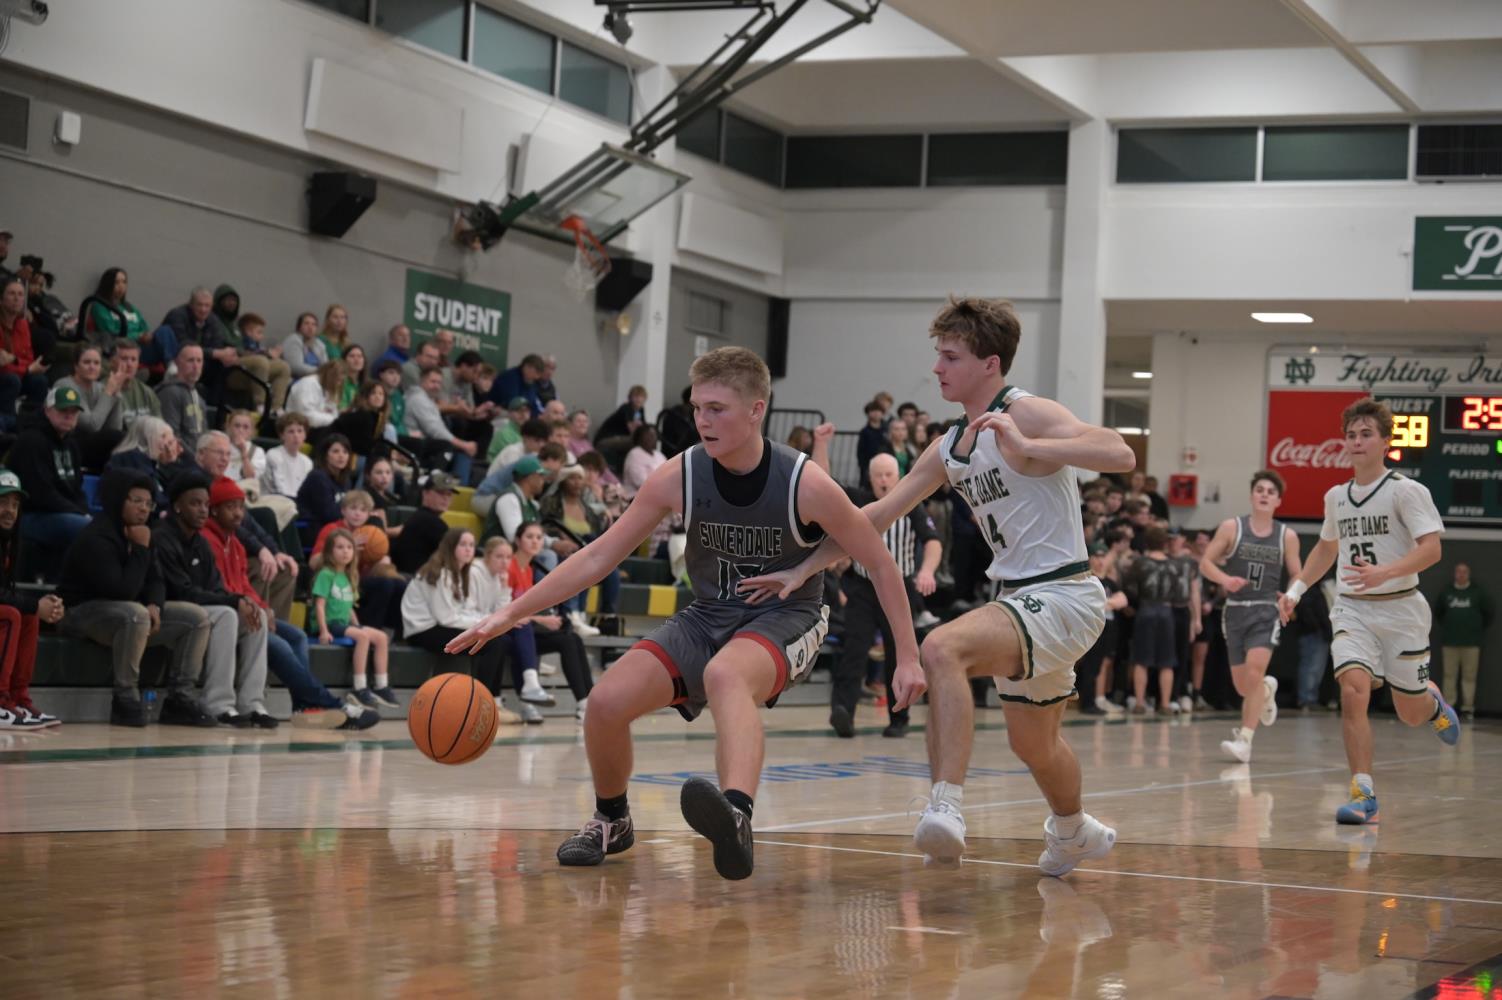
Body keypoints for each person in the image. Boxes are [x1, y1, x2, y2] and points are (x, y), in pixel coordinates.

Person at [447, 346, 921, 881]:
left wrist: (907, 656)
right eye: (697, 407)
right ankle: (612, 819)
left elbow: (880, 564)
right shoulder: (679, 475)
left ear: (756, 410)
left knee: (726, 675)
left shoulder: (804, 483)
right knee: (604, 703)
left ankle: (736, 815)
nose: (702, 420)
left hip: (788, 614)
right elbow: (600, 555)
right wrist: (511, 613)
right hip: (709, 614)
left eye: (717, 408)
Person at [737, 297, 1136, 874]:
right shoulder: (950, 445)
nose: (938, 368)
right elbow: (873, 516)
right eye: (938, 355)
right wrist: (805, 567)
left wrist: (1032, 448)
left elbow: (1117, 451)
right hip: (1021, 602)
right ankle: (1074, 829)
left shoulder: (1026, 413)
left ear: (990, 364)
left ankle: (946, 809)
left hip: (1063, 594)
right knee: (1036, 746)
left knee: (941, 646)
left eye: (951, 357)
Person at [1277, 398, 1460, 827]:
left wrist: (1387, 572)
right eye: (1351, 435)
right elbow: (1326, 547)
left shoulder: (1407, 491)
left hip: (1402, 611)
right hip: (1353, 610)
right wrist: (1297, 589)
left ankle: (1431, 704)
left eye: (1365, 435)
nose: (1356, 442)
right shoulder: (1336, 496)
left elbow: (1432, 549)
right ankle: (1364, 793)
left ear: (1385, 441)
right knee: (1353, 690)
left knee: (1408, 713)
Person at [202, 477, 378, 730]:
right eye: (230, 507)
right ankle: (325, 702)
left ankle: (303, 706)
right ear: (214, 509)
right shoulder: (208, 540)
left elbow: (245, 586)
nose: (239, 513)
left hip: (246, 609)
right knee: (279, 644)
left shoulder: (236, 544)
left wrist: (264, 607)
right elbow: (221, 590)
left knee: (296, 635)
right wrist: (254, 608)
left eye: (240, 506)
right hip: (228, 613)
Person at [55, 468, 215, 727]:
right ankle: (125, 697)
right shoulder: (97, 536)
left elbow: (156, 580)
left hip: (125, 614)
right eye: (136, 501)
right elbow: (121, 591)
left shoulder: (143, 531)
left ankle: (180, 699)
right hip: (78, 612)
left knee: (196, 618)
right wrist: (140, 549)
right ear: (119, 499)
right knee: (135, 614)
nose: (144, 508)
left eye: (148, 503)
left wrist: (155, 604)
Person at [153, 471, 276, 729]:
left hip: (200, 607)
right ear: (177, 506)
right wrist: (233, 603)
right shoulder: (163, 537)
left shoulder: (199, 542)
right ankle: (217, 702)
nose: (202, 510)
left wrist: (242, 599)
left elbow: (216, 587)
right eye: (194, 503)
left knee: (257, 615)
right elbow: (182, 590)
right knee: (228, 614)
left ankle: (250, 702)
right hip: (169, 609)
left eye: (205, 505)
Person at [829, 452, 940, 739]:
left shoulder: (913, 505)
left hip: (899, 587)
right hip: (863, 587)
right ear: (870, 477)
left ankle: (899, 717)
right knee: (853, 649)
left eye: (888, 474)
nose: (883, 480)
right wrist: (822, 444)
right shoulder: (858, 499)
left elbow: (933, 542)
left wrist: (927, 571)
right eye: (878, 474)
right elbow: (825, 481)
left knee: (898, 654)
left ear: (898, 477)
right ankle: (842, 711)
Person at [1200, 470, 1303, 762]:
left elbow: (1297, 574)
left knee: (1255, 672)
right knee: (1245, 686)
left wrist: (1291, 595)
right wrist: (1224, 579)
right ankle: (1267, 691)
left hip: (1265, 610)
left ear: (1278, 500)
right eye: (1260, 489)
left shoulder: (1287, 536)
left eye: (1271, 491)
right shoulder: (1232, 527)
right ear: (1251, 495)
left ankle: (1245, 740)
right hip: (1234, 611)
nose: (1265, 494)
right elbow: (1206, 562)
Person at [399, 528, 521, 727]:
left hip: (439, 625)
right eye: (463, 544)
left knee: (493, 638)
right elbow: (446, 618)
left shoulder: (458, 573)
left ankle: (488, 702)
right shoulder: (438, 573)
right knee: (493, 642)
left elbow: (464, 612)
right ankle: (484, 705)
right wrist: (485, 623)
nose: (468, 549)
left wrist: (487, 622)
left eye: (472, 545)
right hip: (423, 630)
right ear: (450, 546)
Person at [504, 522, 595, 720]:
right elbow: (506, 610)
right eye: (529, 537)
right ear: (518, 540)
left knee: (572, 639)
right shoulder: (509, 566)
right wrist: (542, 620)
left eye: (539, 537)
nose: (535, 541)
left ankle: (587, 702)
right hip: (511, 629)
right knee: (529, 630)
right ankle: (527, 700)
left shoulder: (528, 569)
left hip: (525, 626)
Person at [0, 469, 64, 728]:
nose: (10, 510)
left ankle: (17, 699)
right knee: (11, 614)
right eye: (3, 502)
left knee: (28, 615)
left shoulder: (10, 541)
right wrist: (34, 604)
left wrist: (43, 605)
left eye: (15, 504)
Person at [312, 528, 396, 710]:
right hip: (329, 623)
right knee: (363, 637)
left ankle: (381, 685)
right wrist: (324, 630)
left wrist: (358, 625)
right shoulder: (326, 574)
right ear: (329, 551)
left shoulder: (349, 576)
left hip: (344, 623)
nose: (345, 551)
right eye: (340, 547)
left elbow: (349, 606)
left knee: (381, 637)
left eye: (349, 547)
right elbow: (319, 604)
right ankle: (359, 687)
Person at [11, 384, 91, 568]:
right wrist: (80, 514)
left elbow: (77, 490)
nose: (69, 415)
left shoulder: (72, 445)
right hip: (30, 514)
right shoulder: (31, 441)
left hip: (61, 513)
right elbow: (41, 494)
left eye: (74, 411)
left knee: (103, 527)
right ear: (47, 411)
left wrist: (83, 511)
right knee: (87, 529)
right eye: (63, 410)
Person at [1124, 525, 1180, 715]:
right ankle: (1165, 703)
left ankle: (1139, 702)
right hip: (1166, 611)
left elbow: (1130, 589)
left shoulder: (1139, 563)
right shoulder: (1174, 564)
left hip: (1146, 610)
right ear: (1165, 543)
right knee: (1167, 661)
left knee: (1141, 659)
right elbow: (1180, 592)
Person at [1433, 563, 1491, 721]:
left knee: (1469, 677)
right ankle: (1448, 708)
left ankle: (1467, 709)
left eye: (1464, 572)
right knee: (1449, 676)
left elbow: (1488, 613)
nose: (1461, 574)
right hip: (1450, 643)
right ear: (1454, 574)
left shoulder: (1477, 593)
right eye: (1458, 571)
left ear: (1469, 574)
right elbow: (1438, 612)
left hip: (1471, 644)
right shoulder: (1447, 592)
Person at [406, 366, 477, 482]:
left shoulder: (429, 400)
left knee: (461, 454)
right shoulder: (418, 399)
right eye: (433, 382)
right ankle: (437, 481)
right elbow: (436, 431)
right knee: (452, 448)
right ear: (422, 381)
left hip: (425, 445)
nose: (437, 386)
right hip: (413, 444)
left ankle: (454, 488)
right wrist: (464, 445)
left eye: (439, 383)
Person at [84, 268, 166, 365]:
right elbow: (111, 332)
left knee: (165, 331)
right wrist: (137, 336)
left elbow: (144, 327)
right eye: (117, 282)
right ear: (108, 284)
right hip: (121, 349)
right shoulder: (100, 306)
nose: (121, 286)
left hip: (141, 346)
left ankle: (172, 365)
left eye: (124, 282)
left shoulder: (129, 307)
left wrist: (145, 336)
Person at [0, 275, 48, 429]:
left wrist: (16, 362)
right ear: (1, 299)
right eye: (11, 293)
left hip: (17, 374)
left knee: (40, 381)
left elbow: (29, 358)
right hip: (6, 378)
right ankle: (8, 426)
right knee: (11, 380)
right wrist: (26, 369)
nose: (17, 298)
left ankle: (30, 425)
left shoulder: (22, 324)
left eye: (20, 294)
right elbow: (2, 365)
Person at [390, 471, 459, 575]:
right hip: (415, 580)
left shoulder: (421, 517)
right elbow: (457, 550)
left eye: (449, 494)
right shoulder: (431, 522)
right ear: (425, 493)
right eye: (440, 493)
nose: (446, 498)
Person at [105, 415, 178, 510]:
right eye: (162, 436)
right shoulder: (132, 458)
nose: (165, 444)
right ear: (147, 437)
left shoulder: (148, 461)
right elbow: (152, 497)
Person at [230, 312, 292, 413]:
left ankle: (276, 407)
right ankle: (260, 404)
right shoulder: (239, 339)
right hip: (236, 370)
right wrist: (267, 353)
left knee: (283, 366)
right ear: (248, 331)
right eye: (259, 332)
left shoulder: (256, 344)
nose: (262, 336)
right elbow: (241, 352)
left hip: (254, 369)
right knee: (261, 361)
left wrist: (272, 354)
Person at [157, 343, 209, 451]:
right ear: (177, 362)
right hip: (180, 462)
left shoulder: (199, 397)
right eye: (190, 360)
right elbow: (171, 436)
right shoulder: (170, 393)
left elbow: (204, 435)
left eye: (199, 361)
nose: (195, 366)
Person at [296, 433, 354, 527]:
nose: (341, 456)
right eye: (335, 451)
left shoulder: (346, 480)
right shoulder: (318, 477)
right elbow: (328, 514)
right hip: (310, 526)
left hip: (333, 526)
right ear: (326, 455)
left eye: (345, 452)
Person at [106, 338, 163, 430]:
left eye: (133, 359)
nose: (129, 364)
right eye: (124, 359)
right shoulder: (101, 389)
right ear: (112, 362)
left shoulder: (147, 392)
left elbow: (159, 428)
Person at [262, 412, 313, 501]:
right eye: (291, 431)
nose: (296, 436)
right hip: (276, 501)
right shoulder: (273, 455)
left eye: (300, 431)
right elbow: (278, 489)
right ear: (282, 435)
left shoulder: (307, 462)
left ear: (305, 435)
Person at [286, 358, 343, 434]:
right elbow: (307, 417)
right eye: (338, 379)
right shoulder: (308, 384)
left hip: (319, 427)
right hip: (299, 429)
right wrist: (335, 420)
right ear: (330, 375)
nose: (339, 383)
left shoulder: (328, 389)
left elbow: (333, 413)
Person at [621, 425, 665, 499]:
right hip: (636, 498)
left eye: (654, 435)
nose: (652, 438)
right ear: (639, 438)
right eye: (648, 435)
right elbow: (642, 483)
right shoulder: (634, 454)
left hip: (659, 496)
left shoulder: (659, 455)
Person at [281, 311, 328, 379]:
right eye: (306, 324)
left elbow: (326, 365)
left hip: (317, 378)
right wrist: (320, 371)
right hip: (298, 380)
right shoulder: (293, 340)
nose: (310, 327)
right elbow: (296, 367)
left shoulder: (319, 344)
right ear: (299, 327)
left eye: (314, 324)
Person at [374, 360, 408, 438]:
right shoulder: (376, 394)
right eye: (391, 373)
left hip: (402, 434)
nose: (395, 377)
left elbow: (400, 420)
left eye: (398, 374)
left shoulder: (399, 395)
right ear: (381, 375)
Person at [338, 344, 368, 409]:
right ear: (344, 360)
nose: (356, 359)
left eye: (360, 356)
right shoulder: (339, 383)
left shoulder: (367, 384)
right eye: (352, 356)